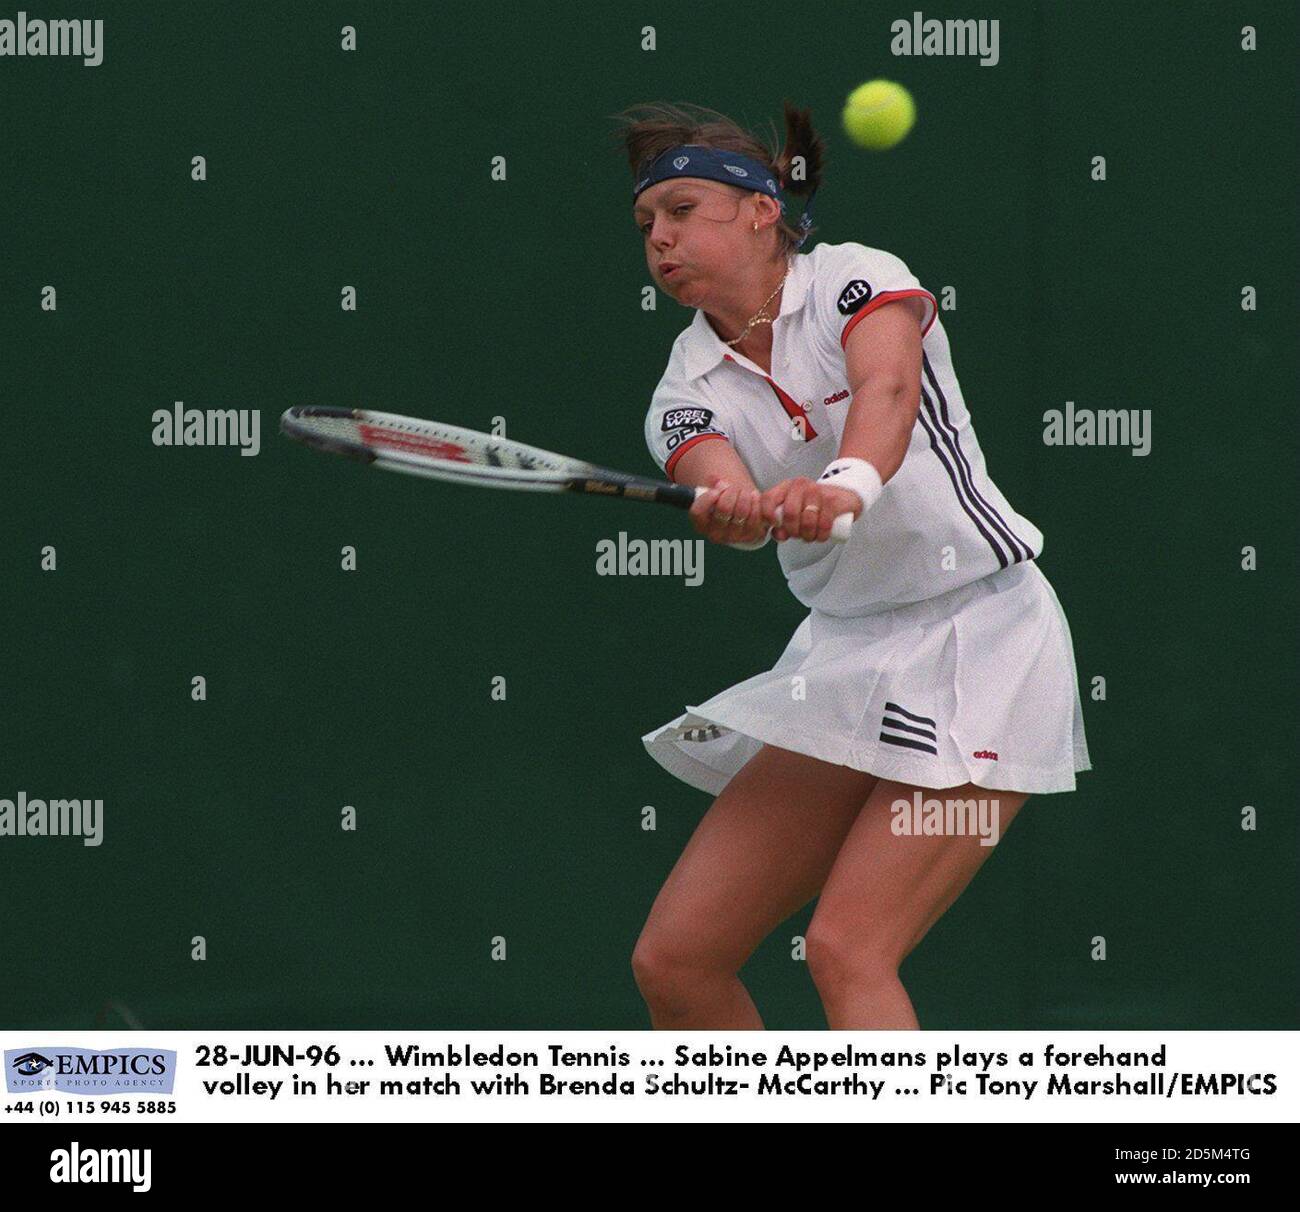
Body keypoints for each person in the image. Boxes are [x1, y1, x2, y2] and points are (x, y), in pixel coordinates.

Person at [614, 101, 1091, 1029]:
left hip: (986, 641)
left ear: (760, 209)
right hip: (841, 661)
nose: (660, 239)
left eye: (681, 210)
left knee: (847, 949)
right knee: (677, 960)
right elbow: (720, 488)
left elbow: (888, 389)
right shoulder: (683, 387)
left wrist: (841, 487)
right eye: (646, 225)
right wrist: (737, 509)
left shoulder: (856, 280)